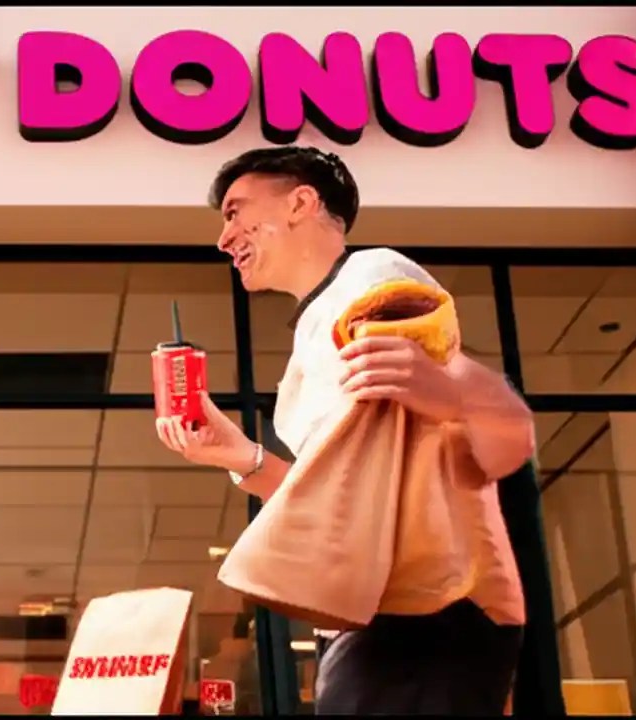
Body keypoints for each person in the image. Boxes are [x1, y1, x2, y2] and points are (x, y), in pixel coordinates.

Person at [155, 146, 535, 715]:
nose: (224, 237)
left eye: (236, 212)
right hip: (388, 610)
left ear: (301, 202)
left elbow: (390, 457)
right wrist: (239, 456)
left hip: (430, 604)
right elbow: (352, 489)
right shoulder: (318, 321)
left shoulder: (372, 278)